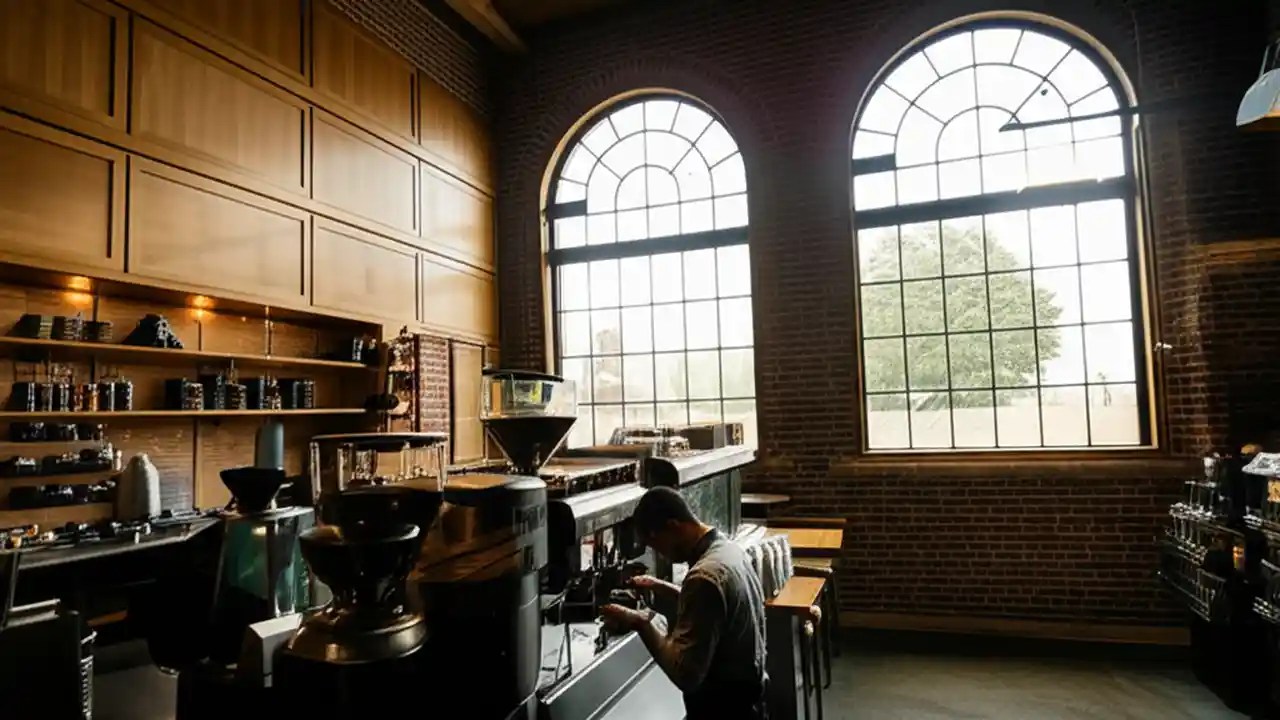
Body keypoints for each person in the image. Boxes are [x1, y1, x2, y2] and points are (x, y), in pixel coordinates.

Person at [600, 487, 768, 719]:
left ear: (673, 526)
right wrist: (660, 586)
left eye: (655, 543)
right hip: (749, 702)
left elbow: (685, 675)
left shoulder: (704, 577)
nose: (658, 553)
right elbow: (716, 609)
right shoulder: (727, 550)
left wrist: (641, 623)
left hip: (723, 710)